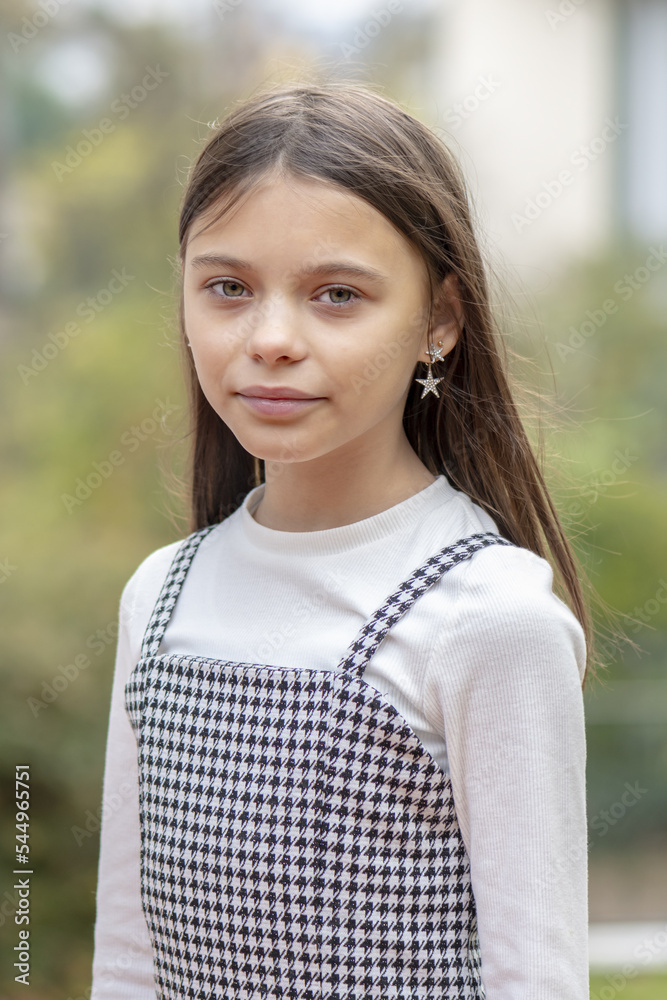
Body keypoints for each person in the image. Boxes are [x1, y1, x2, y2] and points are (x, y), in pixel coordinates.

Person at [90, 80, 592, 1000]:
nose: (271, 338)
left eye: (336, 294)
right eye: (228, 287)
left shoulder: (487, 617)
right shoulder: (157, 596)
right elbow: (128, 962)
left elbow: (538, 978)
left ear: (439, 320)